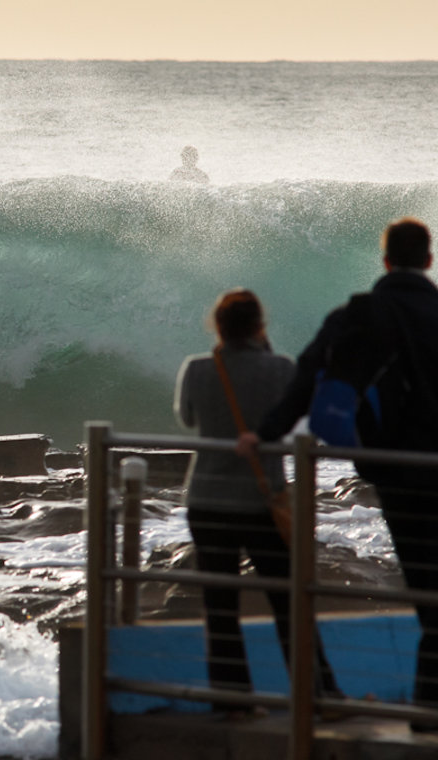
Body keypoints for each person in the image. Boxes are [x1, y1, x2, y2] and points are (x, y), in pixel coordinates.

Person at [238, 218, 438, 727]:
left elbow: (308, 376)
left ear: (386, 261)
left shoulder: (362, 313)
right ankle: (426, 708)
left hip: (396, 475)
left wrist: (265, 434)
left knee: (426, 587)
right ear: (430, 261)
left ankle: (427, 710)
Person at [176, 288, 341, 719]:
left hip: (206, 501)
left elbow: (188, 418)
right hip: (260, 502)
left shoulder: (197, 369)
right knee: (288, 601)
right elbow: (298, 424)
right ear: (259, 326)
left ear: (218, 327)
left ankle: (231, 702)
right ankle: (319, 695)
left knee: (220, 606)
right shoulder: (281, 368)